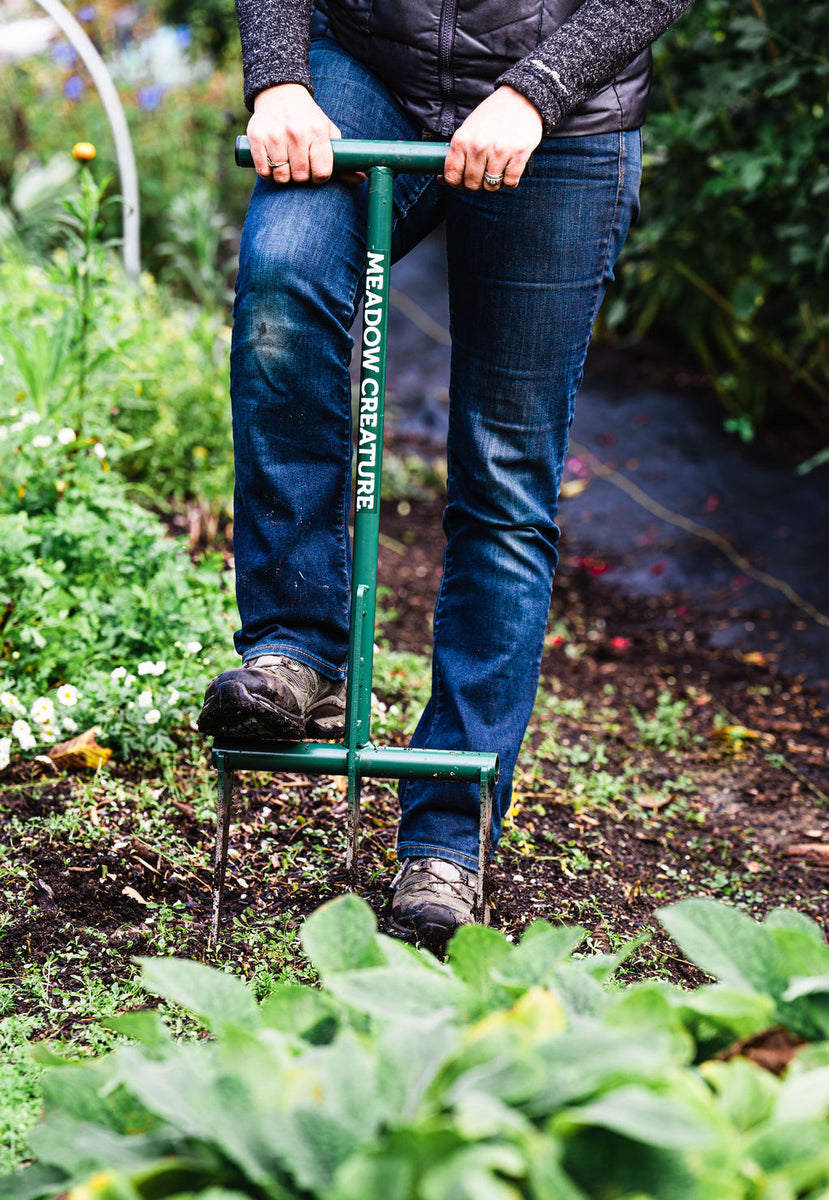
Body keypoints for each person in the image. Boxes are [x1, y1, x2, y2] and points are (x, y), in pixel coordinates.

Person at [199, 0, 694, 952]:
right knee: (281, 286)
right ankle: (295, 651)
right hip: (364, 63)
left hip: (563, 112)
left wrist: (538, 88)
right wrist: (279, 78)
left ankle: (443, 840)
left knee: (503, 477)